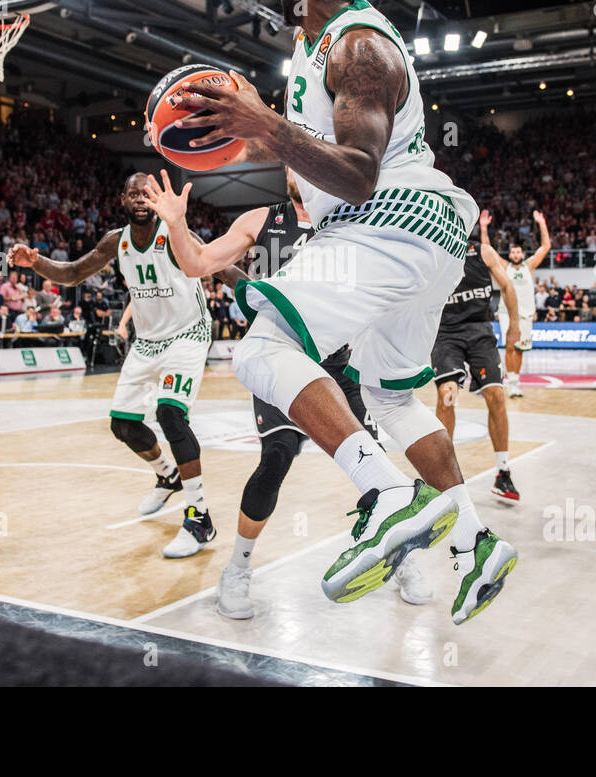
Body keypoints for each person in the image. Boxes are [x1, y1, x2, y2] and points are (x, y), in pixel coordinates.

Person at [168, 0, 516, 623]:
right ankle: (474, 545)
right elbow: (324, 157)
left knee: (262, 348)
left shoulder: (359, 45)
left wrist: (264, 126)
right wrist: (253, 135)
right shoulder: (314, 48)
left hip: (391, 219)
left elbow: (358, 174)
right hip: (417, 235)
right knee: (391, 397)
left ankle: (387, 495)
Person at [146, 167, 429, 618]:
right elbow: (197, 264)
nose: (301, 171)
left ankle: (401, 555)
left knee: (374, 460)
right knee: (275, 457)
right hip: (279, 354)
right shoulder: (262, 220)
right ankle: (236, 568)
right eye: (293, 165)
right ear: (287, 170)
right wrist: (177, 224)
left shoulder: (350, 218)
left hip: (339, 362)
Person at [10, 173, 229, 558]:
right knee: (123, 425)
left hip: (188, 333)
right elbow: (74, 272)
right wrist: (37, 262)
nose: (141, 199)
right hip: (147, 341)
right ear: (123, 200)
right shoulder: (116, 240)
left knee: (170, 415)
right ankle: (168, 474)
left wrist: (259, 297)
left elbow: (217, 263)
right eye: (134, 193)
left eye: (147, 193)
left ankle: (200, 519)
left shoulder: (174, 231)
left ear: (156, 198)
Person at [430, 211, 521, 502]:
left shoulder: (481, 251)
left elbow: (507, 286)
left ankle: (503, 472)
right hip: (446, 333)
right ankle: (444, 474)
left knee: (496, 395)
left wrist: (514, 326)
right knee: (448, 393)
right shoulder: (432, 254)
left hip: (480, 330)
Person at [489, 209, 549, 398]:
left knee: (521, 348)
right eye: (513, 252)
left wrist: (541, 223)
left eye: (518, 252)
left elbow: (545, 246)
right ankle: (511, 381)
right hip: (507, 312)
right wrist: (484, 228)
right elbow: (488, 251)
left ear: (522, 253)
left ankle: (516, 380)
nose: (515, 254)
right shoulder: (505, 266)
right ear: (510, 254)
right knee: (510, 346)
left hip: (525, 314)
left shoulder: (528, 266)